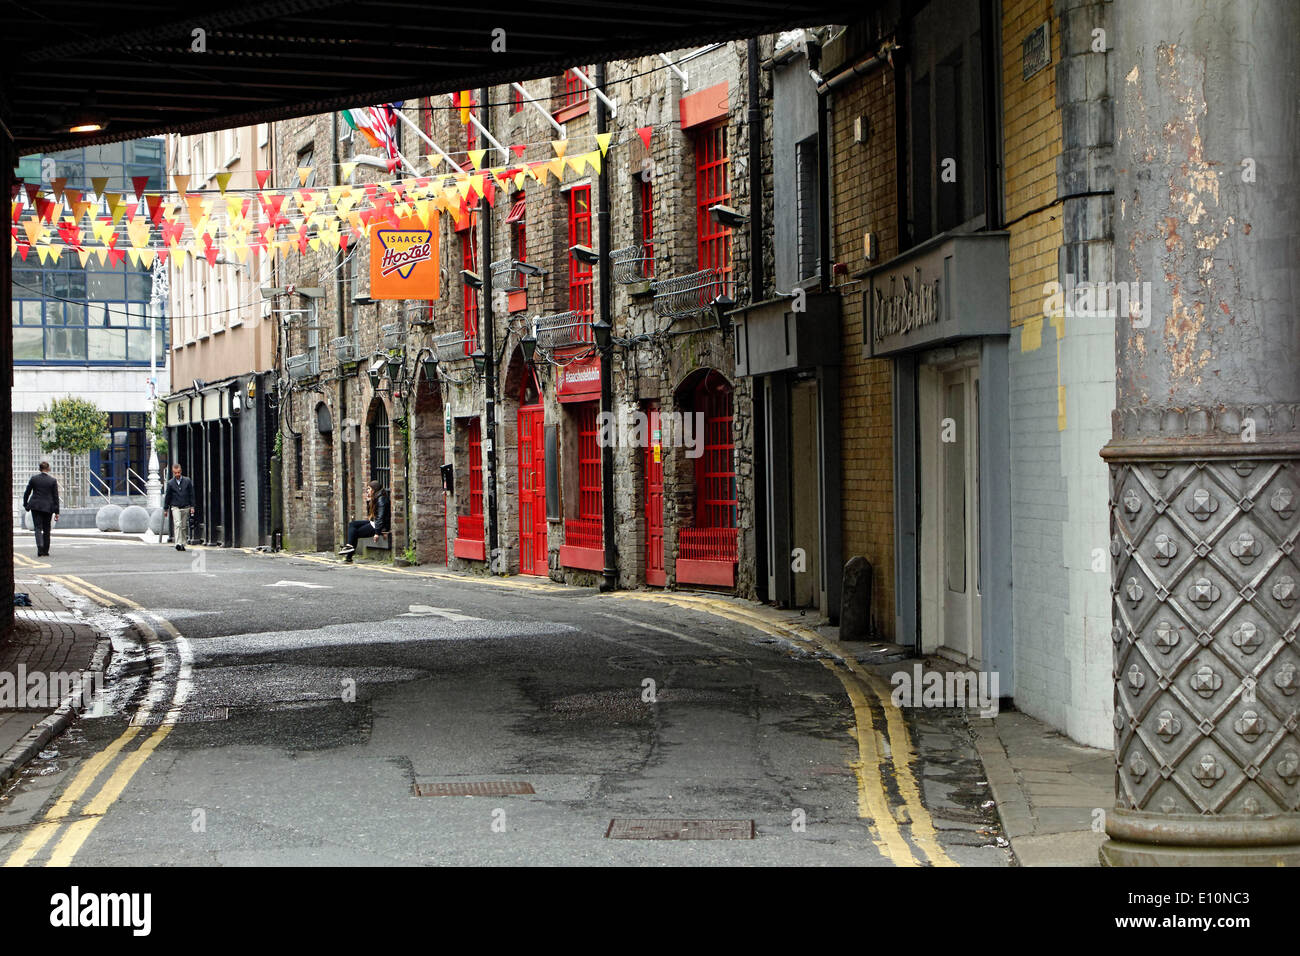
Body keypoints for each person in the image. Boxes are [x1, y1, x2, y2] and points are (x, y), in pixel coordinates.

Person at [339, 480, 389, 561]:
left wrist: (377, 532)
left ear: (374, 489)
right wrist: (369, 501)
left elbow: (380, 517)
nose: (367, 491)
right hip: (374, 523)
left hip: (379, 526)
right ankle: (349, 547)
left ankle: (349, 556)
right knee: (352, 524)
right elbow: (372, 515)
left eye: (369, 489)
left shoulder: (381, 500)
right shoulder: (376, 498)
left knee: (355, 532)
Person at [22, 461, 60, 557]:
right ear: (48, 469)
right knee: (47, 529)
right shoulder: (52, 480)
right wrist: (57, 511)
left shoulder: (34, 479)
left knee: (37, 528)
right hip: (48, 507)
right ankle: (46, 550)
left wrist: (25, 504)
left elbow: (27, 492)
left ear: (40, 469)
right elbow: (56, 496)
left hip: (36, 506)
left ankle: (40, 547)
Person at [162, 462, 196, 552]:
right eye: (175, 473)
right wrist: (165, 509)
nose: (177, 474)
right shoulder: (170, 483)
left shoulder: (187, 481)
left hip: (185, 506)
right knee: (178, 524)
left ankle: (183, 543)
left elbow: (191, 494)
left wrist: (192, 506)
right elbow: (167, 496)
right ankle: (178, 543)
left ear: (181, 471)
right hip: (175, 506)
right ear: (173, 472)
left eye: (179, 472)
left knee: (184, 526)